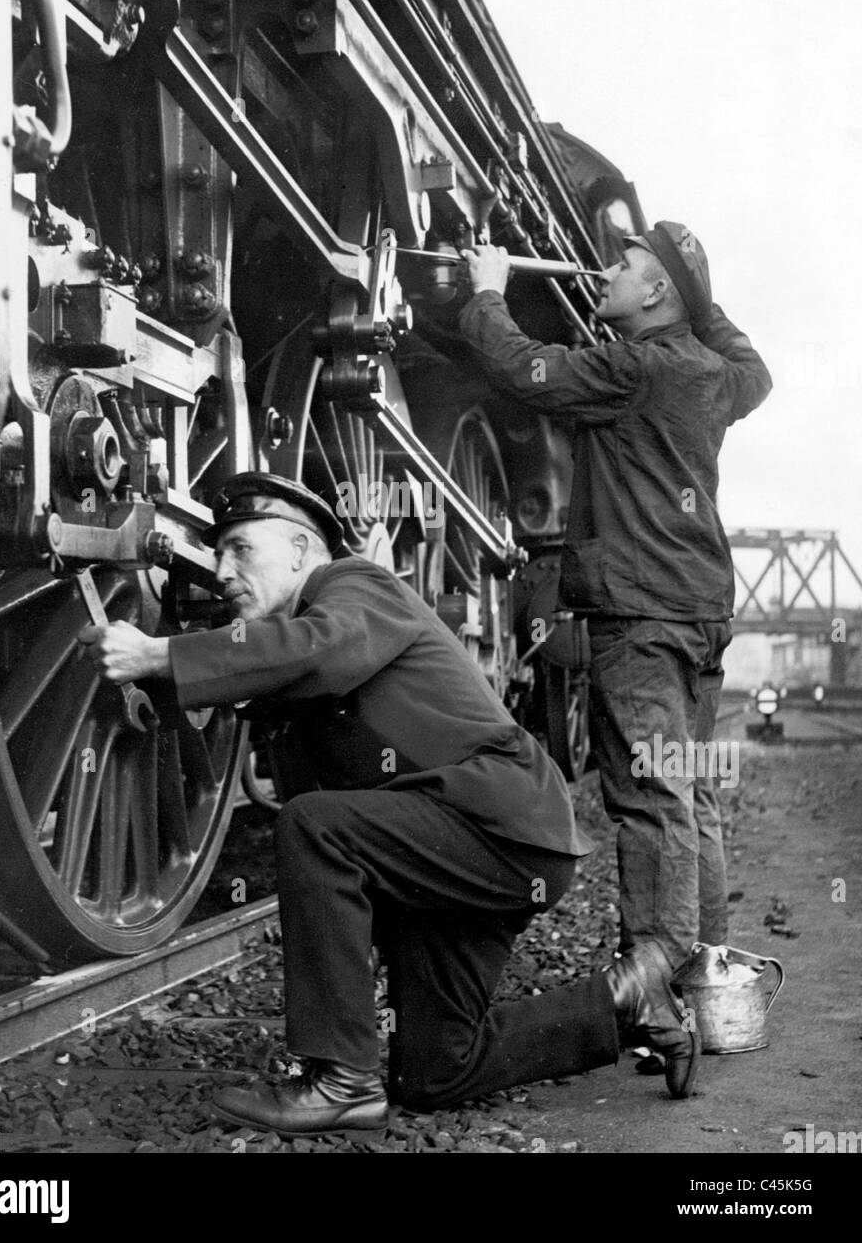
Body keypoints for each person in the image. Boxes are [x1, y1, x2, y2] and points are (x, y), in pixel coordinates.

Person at [80, 470, 700, 1137]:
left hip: (497, 827)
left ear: (301, 549)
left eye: (242, 550)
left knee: (317, 829)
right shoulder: (301, 638)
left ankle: (340, 1082)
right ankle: (628, 999)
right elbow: (259, 679)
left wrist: (158, 652)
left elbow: (318, 654)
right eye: (219, 553)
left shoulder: (355, 586)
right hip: (452, 853)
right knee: (436, 1070)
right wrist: (138, 675)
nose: (223, 570)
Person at [458, 224, 772, 974]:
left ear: (657, 292)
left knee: (652, 798)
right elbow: (757, 369)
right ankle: (705, 973)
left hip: (643, 617)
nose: (603, 272)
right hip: (698, 610)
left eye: (623, 266)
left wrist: (487, 292)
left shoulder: (636, 369)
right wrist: (696, 297)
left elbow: (524, 369)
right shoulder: (715, 374)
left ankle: (655, 980)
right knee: (687, 791)